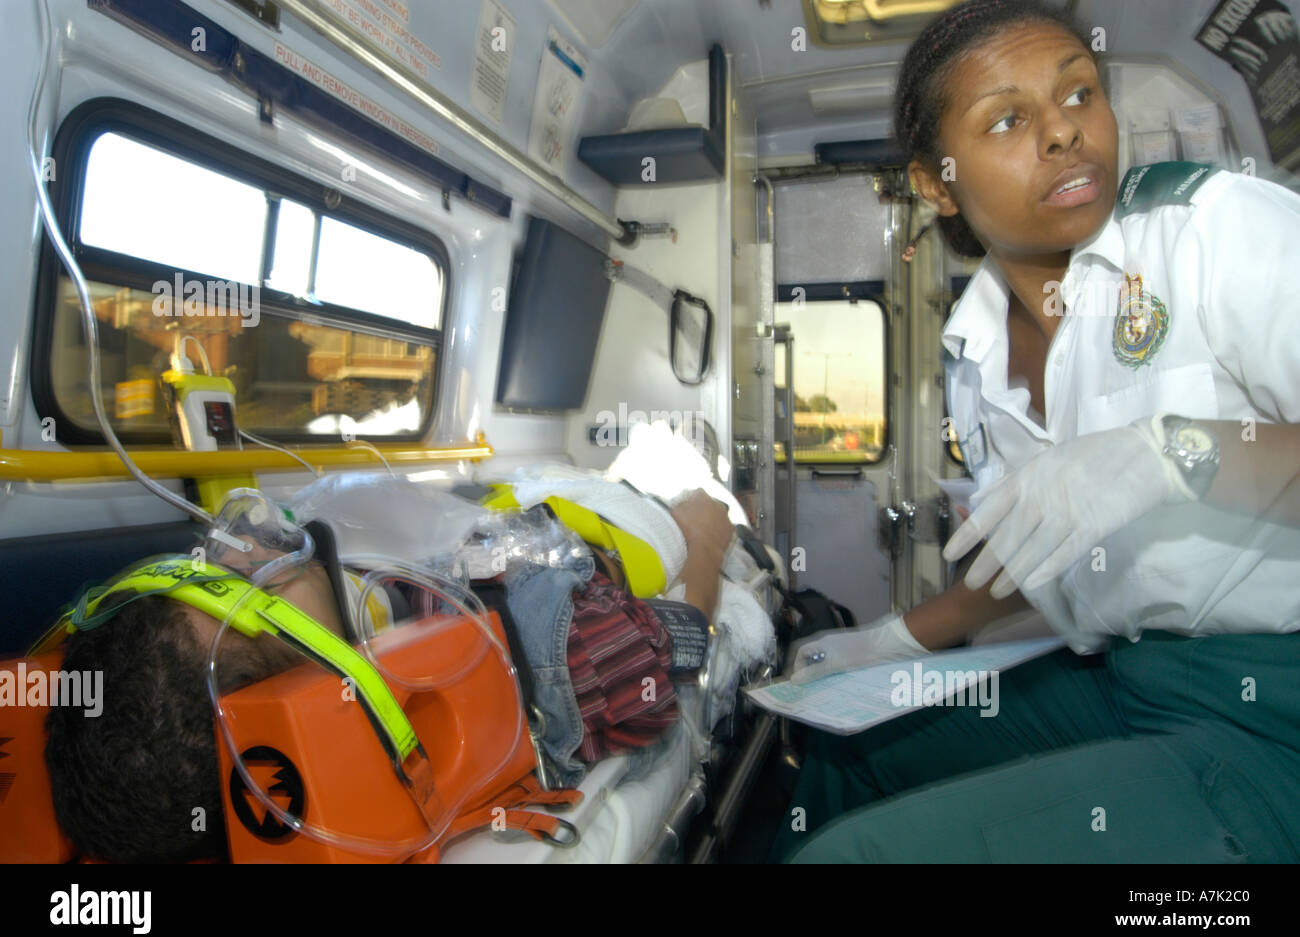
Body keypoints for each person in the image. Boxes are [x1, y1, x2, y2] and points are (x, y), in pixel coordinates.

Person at [770, 0, 1300, 863]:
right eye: (1009, 120)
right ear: (937, 183)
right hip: (1122, 678)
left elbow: (1146, 470)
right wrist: (890, 641)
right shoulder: (972, 347)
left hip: (1272, 705)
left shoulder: (1208, 228)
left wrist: (1173, 453)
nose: (1063, 132)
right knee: (846, 754)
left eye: (1080, 94)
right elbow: (1040, 542)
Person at [43, 487, 733, 864]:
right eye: (246, 580)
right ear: (312, 694)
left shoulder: (349, 580)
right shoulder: (560, 653)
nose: (251, 538)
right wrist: (705, 537)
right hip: (631, 522)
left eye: (205, 559)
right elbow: (684, 639)